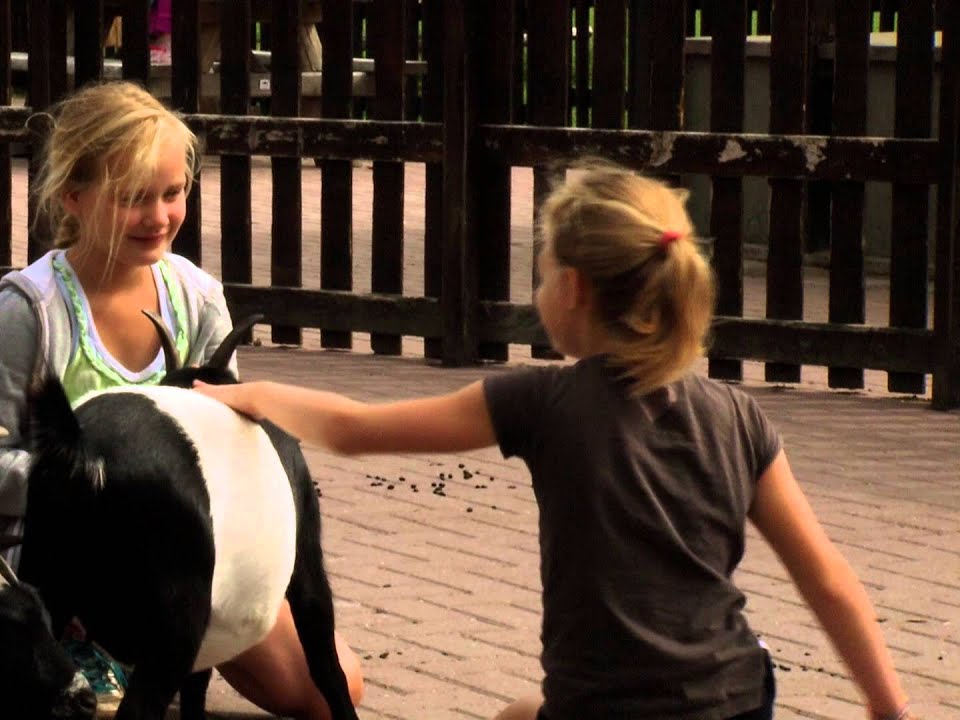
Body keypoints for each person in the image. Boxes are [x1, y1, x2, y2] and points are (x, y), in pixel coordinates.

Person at [195, 162, 916, 720]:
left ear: (571, 288)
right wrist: (888, 706)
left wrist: (252, 395)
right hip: (733, 697)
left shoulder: (541, 400)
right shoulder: (738, 414)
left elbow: (353, 432)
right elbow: (826, 577)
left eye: (540, 275)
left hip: (603, 707)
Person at [0, 80, 363, 720]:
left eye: (173, 193)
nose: (159, 216)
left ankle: (164, 655)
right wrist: (100, 484)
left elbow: (234, 441)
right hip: (55, 561)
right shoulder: (27, 312)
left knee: (330, 686)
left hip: (184, 559)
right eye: (132, 198)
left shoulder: (196, 298)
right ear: (74, 197)